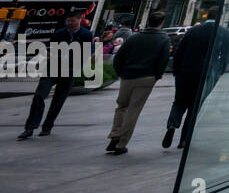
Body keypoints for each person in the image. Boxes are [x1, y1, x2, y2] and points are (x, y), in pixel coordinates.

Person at [18, 8, 95, 140]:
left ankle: (47, 127)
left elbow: (88, 52)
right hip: (53, 68)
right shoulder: (59, 32)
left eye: (73, 20)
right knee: (39, 95)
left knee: (58, 100)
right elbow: (49, 47)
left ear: (79, 20)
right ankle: (30, 127)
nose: (70, 23)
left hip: (69, 70)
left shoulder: (86, 34)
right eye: (68, 20)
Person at [106, 10, 171, 154]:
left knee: (121, 106)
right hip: (146, 77)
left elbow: (119, 57)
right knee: (133, 110)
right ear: (162, 23)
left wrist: (121, 72)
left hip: (128, 76)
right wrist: (157, 76)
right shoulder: (164, 39)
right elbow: (163, 60)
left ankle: (114, 135)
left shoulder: (135, 37)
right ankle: (121, 143)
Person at [165, 8, 229, 149]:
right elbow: (225, 56)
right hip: (206, 73)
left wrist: (176, 70)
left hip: (186, 71)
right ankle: (184, 138)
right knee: (195, 106)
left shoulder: (193, 30)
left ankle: (172, 125)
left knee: (179, 101)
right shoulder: (223, 33)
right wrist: (219, 72)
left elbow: (179, 51)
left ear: (207, 15)